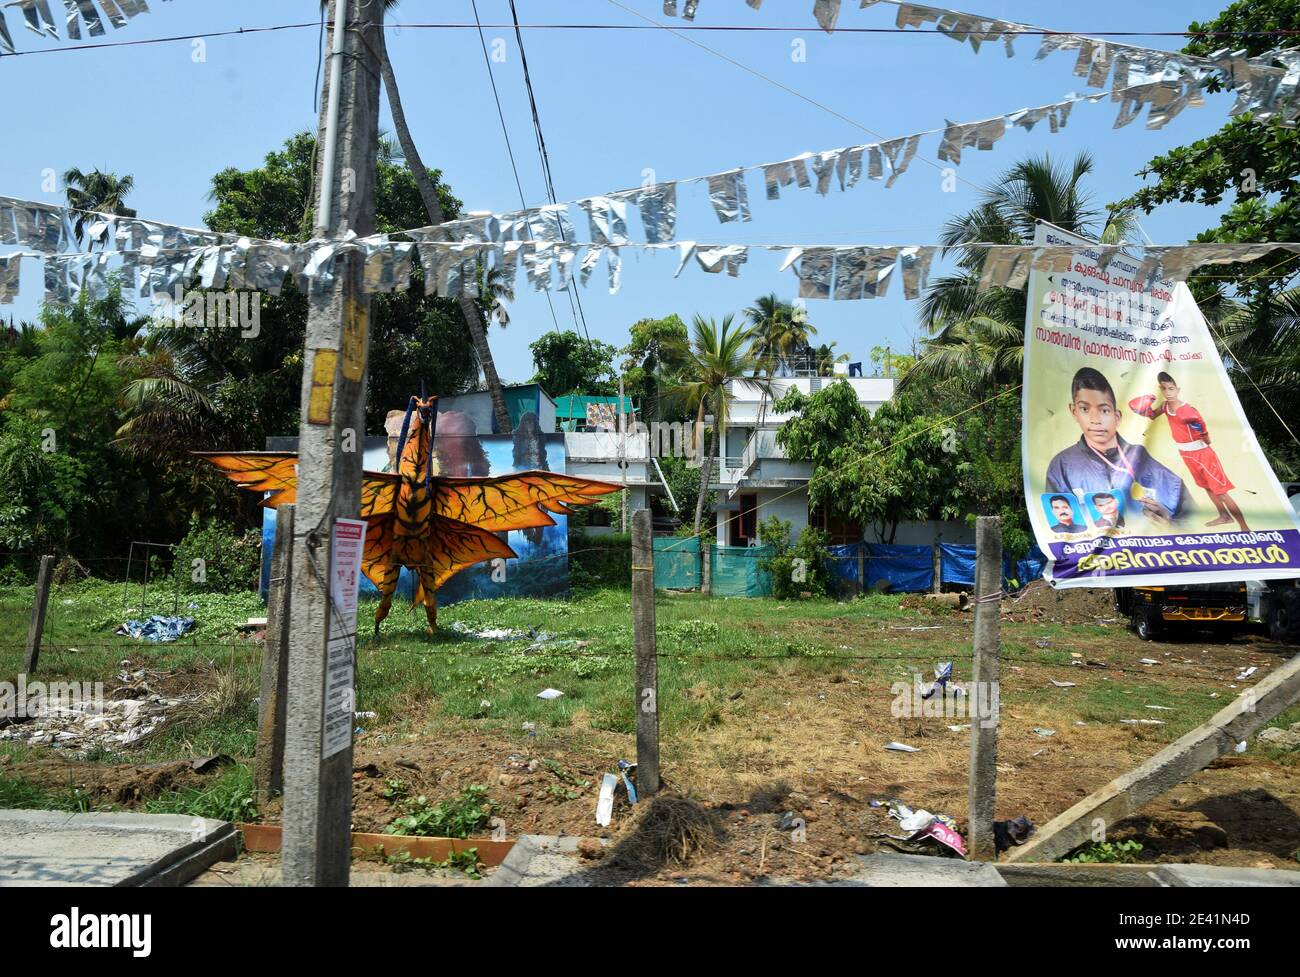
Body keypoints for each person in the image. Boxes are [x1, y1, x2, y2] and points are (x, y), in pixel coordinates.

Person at [1045, 367, 1186, 526]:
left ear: (1117, 416)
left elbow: (1190, 515)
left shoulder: (1138, 456)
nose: (1095, 419)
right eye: (1084, 409)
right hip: (1094, 550)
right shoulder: (1062, 464)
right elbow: (1057, 523)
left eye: (1104, 410)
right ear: (1074, 412)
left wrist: (1170, 525)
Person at [1129, 372, 1248, 531]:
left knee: (1221, 493)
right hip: (1186, 454)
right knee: (1207, 487)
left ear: (1177, 389)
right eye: (1164, 389)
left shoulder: (1187, 410)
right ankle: (1224, 516)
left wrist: (1205, 438)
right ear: (1161, 390)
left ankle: (1244, 528)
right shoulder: (1165, 406)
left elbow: (1202, 427)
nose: (1168, 392)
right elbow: (1151, 416)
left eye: (1171, 388)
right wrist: (1144, 406)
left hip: (1202, 455)